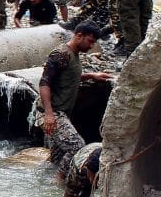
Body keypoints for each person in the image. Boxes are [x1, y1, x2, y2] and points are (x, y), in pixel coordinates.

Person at [37, 21, 112, 179]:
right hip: (53, 113)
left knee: (57, 158)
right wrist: (49, 114)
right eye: (90, 41)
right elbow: (44, 83)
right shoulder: (61, 54)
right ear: (79, 36)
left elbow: (68, 77)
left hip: (60, 113)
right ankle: (58, 182)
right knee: (76, 145)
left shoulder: (73, 55)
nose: (92, 46)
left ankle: (46, 184)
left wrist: (92, 75)